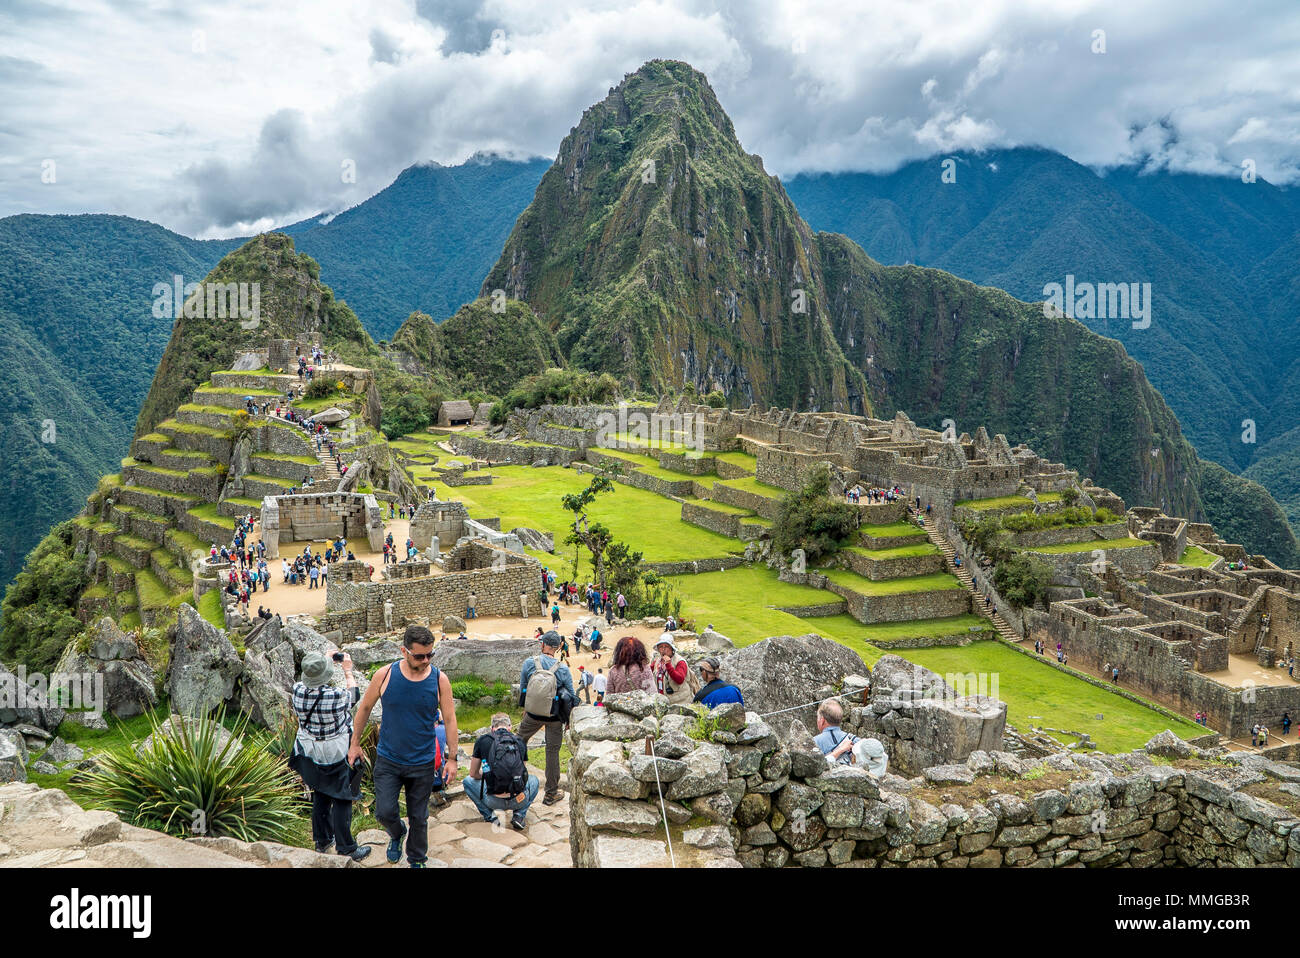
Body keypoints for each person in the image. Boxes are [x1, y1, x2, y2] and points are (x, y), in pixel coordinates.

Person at [349, 625, 458, 868]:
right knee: (384, 812)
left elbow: (450, 719)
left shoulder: (439, 679)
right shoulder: (384, 675)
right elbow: (364, 709)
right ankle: (397, 833)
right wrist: (354, 744)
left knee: (420, 817)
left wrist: (452, 758)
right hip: (389, 759)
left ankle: (417, 860)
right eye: (420, 656)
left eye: (431, 655)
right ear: (404, 651)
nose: (426, 660)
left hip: (422, 761)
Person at [289, 651, 370, 862]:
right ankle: (346, 847)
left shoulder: (297, 691)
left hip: (309, 751)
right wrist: (347, 670)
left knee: (321, 792)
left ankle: (323, 840)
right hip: (335, 751)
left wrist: (323, 662)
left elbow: (309, 683)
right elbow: (354, 694)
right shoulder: (335, 697)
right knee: (343, 796)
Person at [517, 630, 575, 806]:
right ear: (557, 648)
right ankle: (550, 793)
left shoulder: (529, 663)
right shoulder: (563, 669)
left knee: (518, 741)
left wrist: (527, 710)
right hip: (554, 717)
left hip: (532, 714)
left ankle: (515, 781)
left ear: (542, 644)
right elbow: (571, 696)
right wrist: (567, 721)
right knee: (552, 753)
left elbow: (523, 689)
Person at [463, 713, 538, 831]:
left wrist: (488, 776)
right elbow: (523, 774)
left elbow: (473, 774)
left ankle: (491, 817)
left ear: (492, 728)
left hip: (493, 801)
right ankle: (519, 815)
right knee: (534, 780)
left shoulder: (482, 741)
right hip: (519, 799)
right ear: (509, 727)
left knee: (467, 781)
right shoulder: (519, 741)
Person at [652, 633, 695, 703]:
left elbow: (679, 679)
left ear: (672, 649)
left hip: (680, 701)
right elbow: (650, 672)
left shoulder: (680, 661)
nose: (663, 649)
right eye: (660, 647)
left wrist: (668, 665)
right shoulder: (658, 661)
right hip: (663, 700)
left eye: (666, 646)